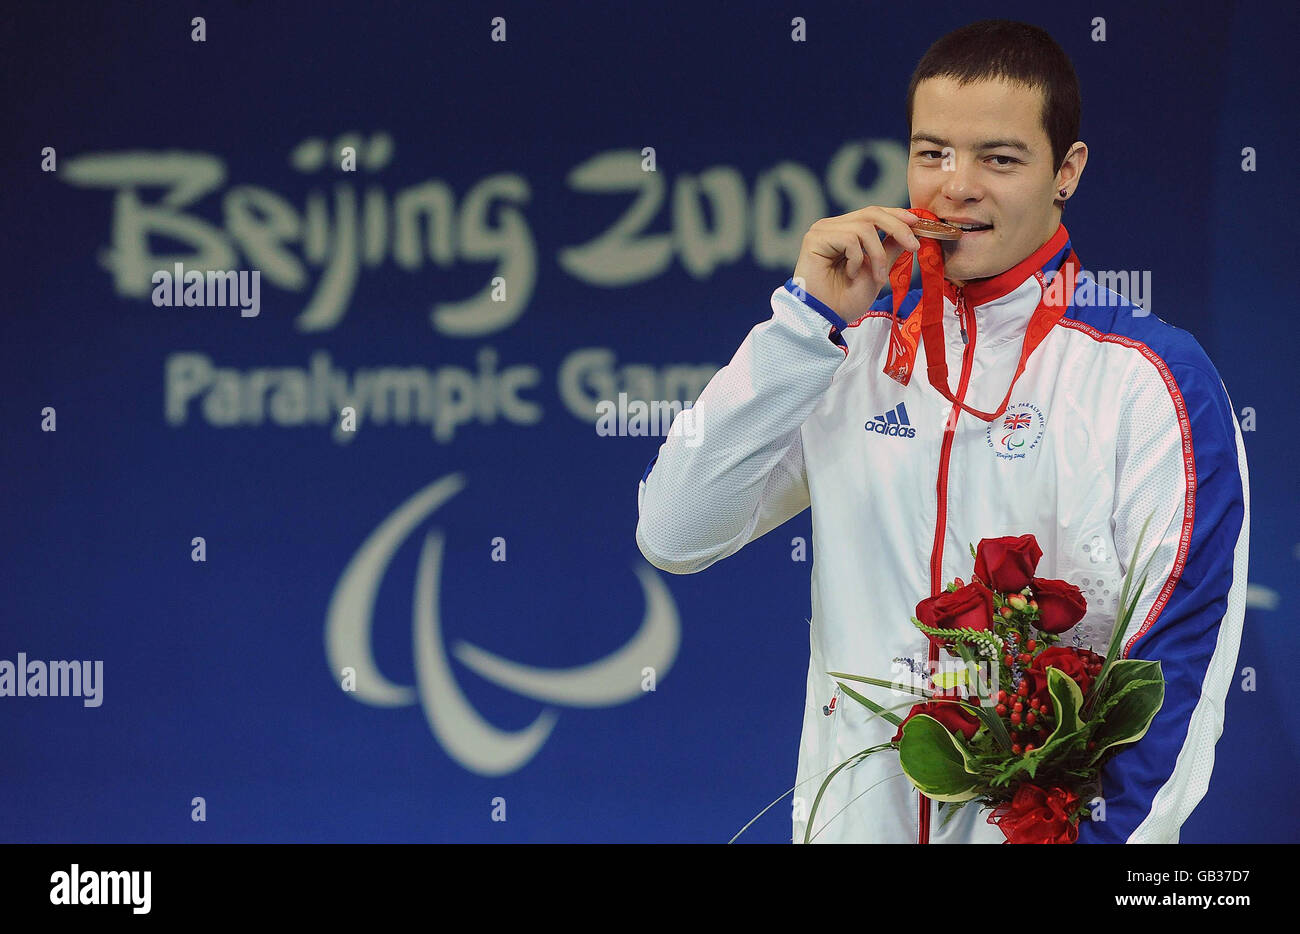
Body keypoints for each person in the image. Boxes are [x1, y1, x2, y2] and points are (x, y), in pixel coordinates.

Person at [634, 19, 1250, 844]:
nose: (954, 187)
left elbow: (1180, 669)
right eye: (931, 154)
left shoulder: (1149, 379)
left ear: (1066, 172)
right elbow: (674, 531)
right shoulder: (842, 348)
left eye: (999, 159)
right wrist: (801, 322)